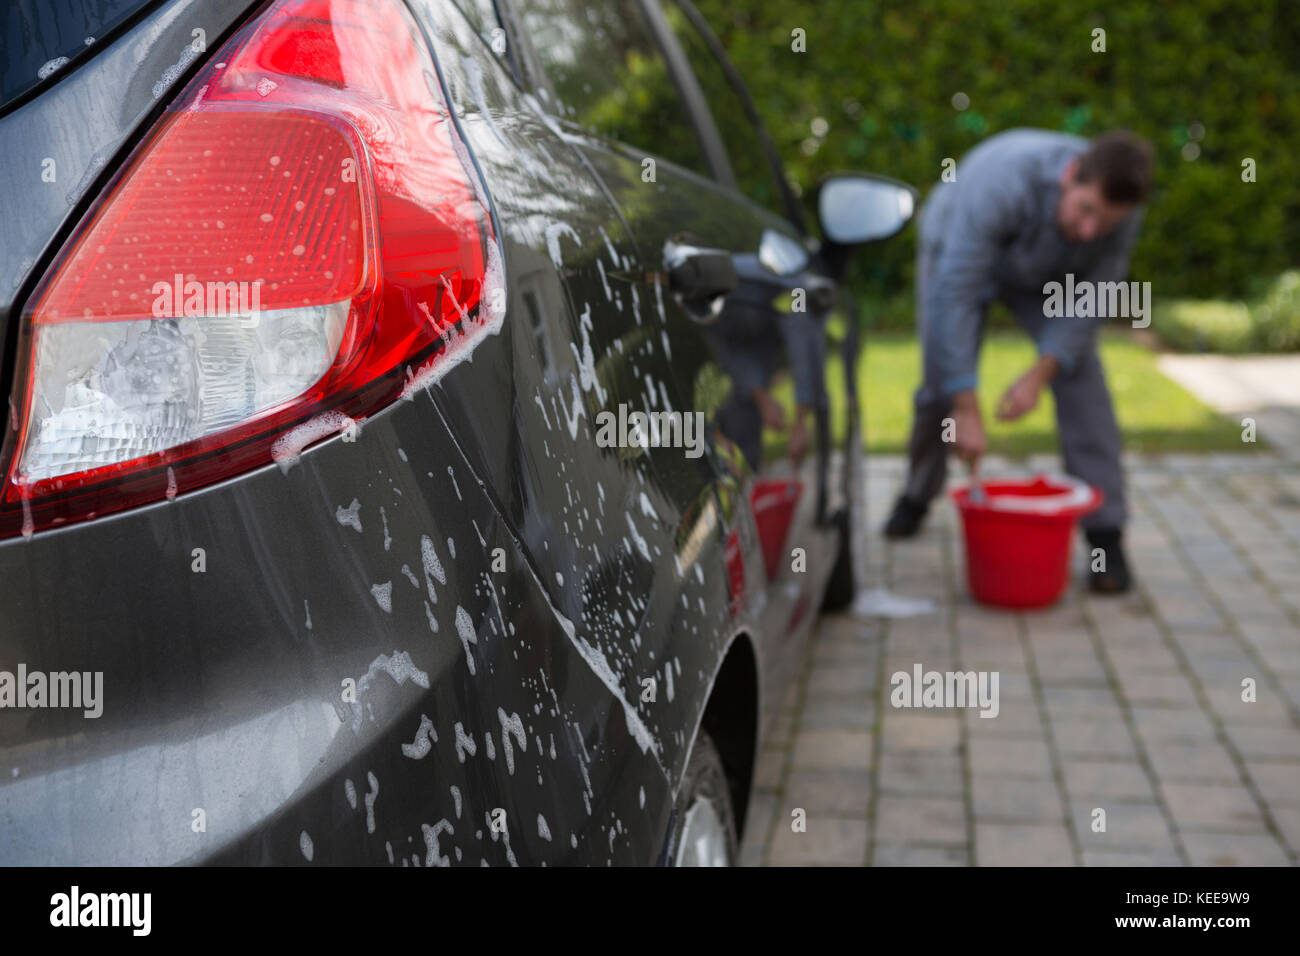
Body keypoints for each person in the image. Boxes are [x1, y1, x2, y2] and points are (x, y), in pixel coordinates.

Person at [884, 128, 1154, 594]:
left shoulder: (1119, 214)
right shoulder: (1001, 183)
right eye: (1086, 210)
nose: (1091, 231)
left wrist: (1039, 374)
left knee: (1082, 380)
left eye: (1105, 224)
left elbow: (1091, 300)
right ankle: (916, 494)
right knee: (939, 385)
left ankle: (1106, 538)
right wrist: (966, 406)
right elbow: (958, 293)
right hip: (957, 253)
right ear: (1070, 176)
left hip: (1047, 270)